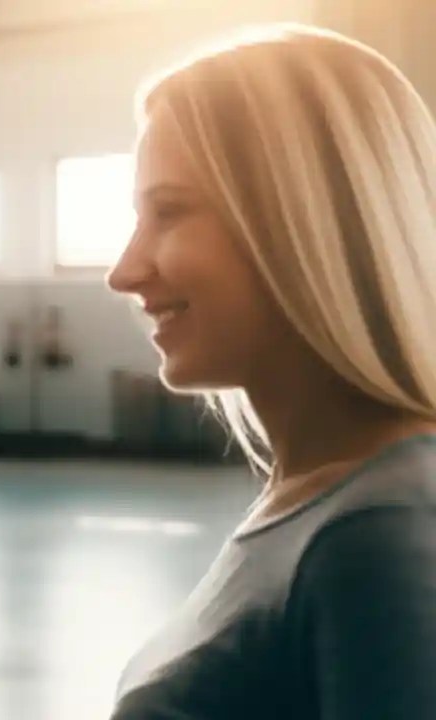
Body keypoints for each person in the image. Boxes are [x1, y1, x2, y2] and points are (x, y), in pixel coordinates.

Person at [106, 24, 436, 718]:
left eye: (168, 212)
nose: (124, 271)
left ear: (302, 220)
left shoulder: (381, 530)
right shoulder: (313, 497)